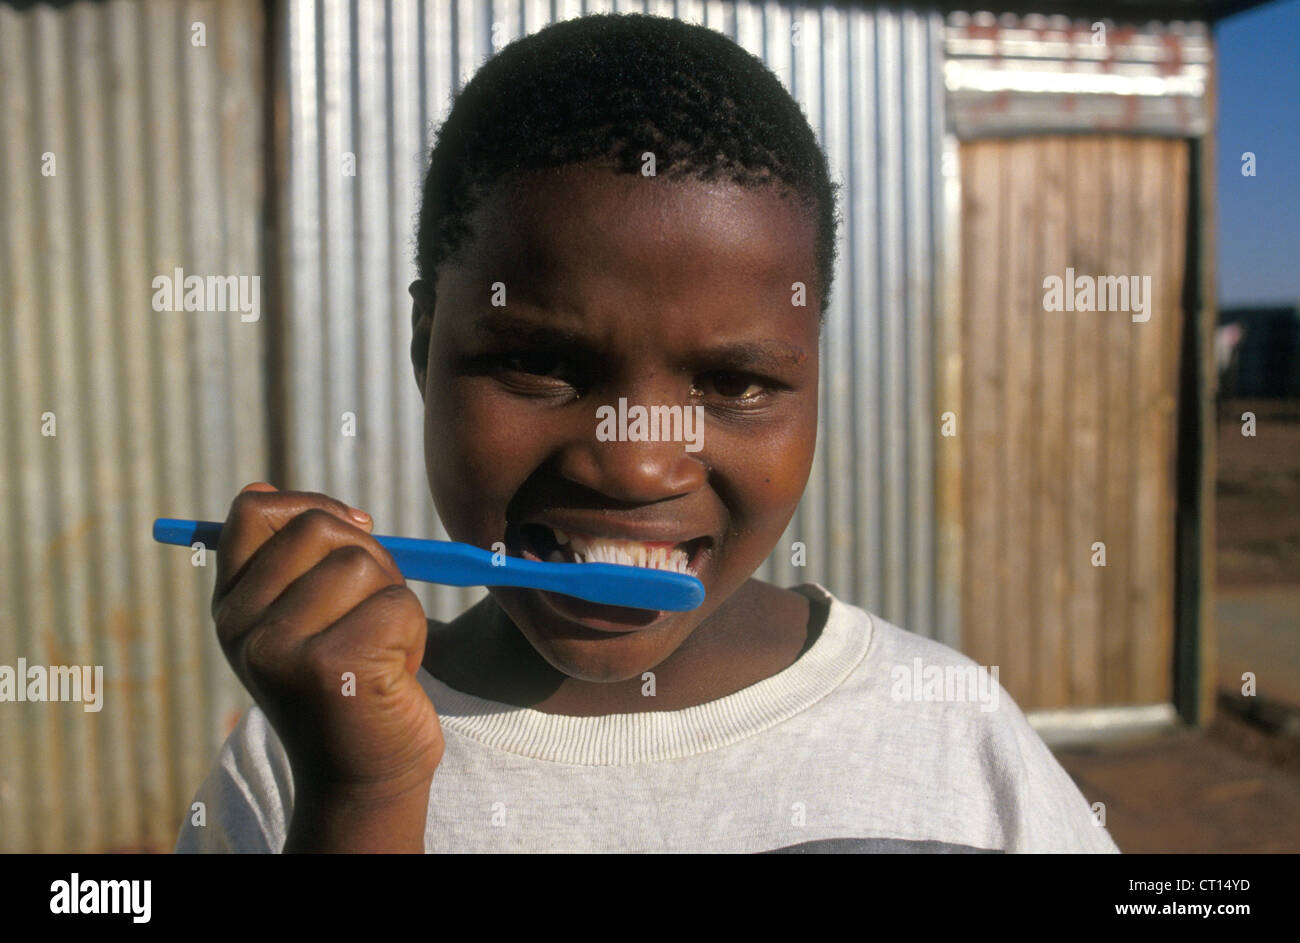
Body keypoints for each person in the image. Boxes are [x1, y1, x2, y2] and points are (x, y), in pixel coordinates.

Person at [176, 13, 1117, 853]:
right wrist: (366, 795)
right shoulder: (303, 761)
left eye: (737, 382)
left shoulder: (951, 743)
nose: (634, 461)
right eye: (543, 364)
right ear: (427, 345)